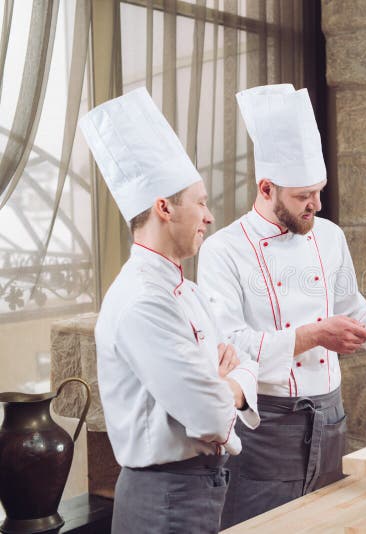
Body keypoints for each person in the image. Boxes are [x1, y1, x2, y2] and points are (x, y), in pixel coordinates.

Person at [197, 84, 366, 527]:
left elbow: (353, 311)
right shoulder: (223, 250)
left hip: (330, 417)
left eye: (319, 191)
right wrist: (313, 336)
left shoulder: (331, 237)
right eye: (302, 196)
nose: (315, 205)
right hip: (267, 427)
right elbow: (228, 346)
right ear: (267, 187)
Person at [79, 88, 259, 534]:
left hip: (200, 489)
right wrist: (232, 386)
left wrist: (226, 382)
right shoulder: (144, 300)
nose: (209, 217)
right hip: (165, 499)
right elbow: (211, 415)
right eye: (200, 202)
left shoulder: (187, 291)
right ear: (164, 207)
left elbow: (242, 360)